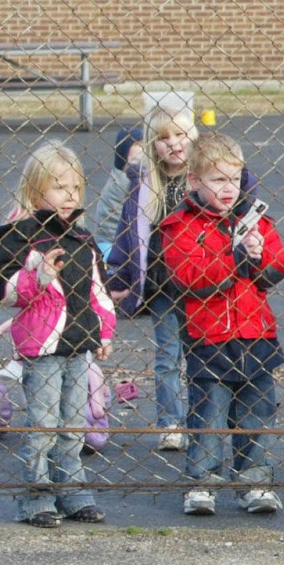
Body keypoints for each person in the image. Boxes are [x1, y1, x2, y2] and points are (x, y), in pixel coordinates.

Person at [0, 142, 117, 528]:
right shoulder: (14, 236)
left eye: (75, 188)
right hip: (41, 348)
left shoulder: (82, 240)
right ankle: (36, 497)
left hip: (78, 344)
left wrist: (104, 332)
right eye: (60, 187)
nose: (70, 196)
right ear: (35, 190)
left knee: (74, 424)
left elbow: (99, 291)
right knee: (43, 425)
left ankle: (73, 491)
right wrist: (39, 276)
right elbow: (5, 292)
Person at [161, 134, 284, 517]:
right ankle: (202, 481)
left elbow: (280, 264)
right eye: (217, 180)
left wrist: (258, 254)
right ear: (194, 182)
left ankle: (254, 480)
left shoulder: (257, 219)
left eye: (234, 179)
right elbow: (189, 275)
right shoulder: (181, 226)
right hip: (209, 337)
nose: (228, 188)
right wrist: (234, 258)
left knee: (256, 411)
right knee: (209, 413)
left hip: (256, 333)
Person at [106, 104, 198, 454]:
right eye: (163, 138)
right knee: (167, 355)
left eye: (181, 134)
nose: (173, 144)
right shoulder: (145, 183)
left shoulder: (206, 176)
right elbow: (127, 232)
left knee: (201, 354)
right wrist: (118, 274)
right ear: (151, 145)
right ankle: (171, 422)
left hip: (202, 282)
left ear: (194, 137)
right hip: (162, 282)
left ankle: (202, 419)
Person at [90, 126, 141, 256]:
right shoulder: (126, 181)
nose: (141, 166)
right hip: (111, 242)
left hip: (117, 238)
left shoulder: (120, 175)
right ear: (123, 161)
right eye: (136, 161)